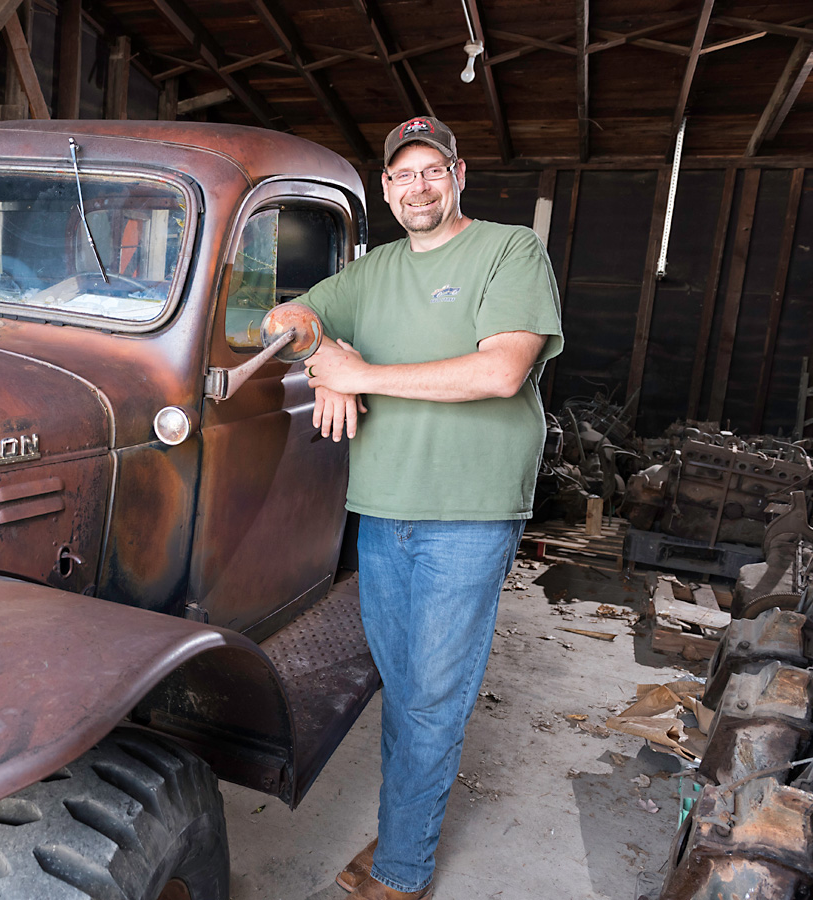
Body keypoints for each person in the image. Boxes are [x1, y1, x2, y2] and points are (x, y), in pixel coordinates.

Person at [297, 117, 564, 900]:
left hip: (468, 511)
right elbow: (289, 318)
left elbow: (500, 373)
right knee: (406, 685)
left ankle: (402, 871)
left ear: (458, 175)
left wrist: (363, 373)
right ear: (385, 188)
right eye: (402, 175)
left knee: (432, 696)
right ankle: (405, 828)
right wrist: (323, 366)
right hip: (383, 507)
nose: (418, 186)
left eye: (432, 171)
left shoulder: (509, 250)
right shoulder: (373, 270)